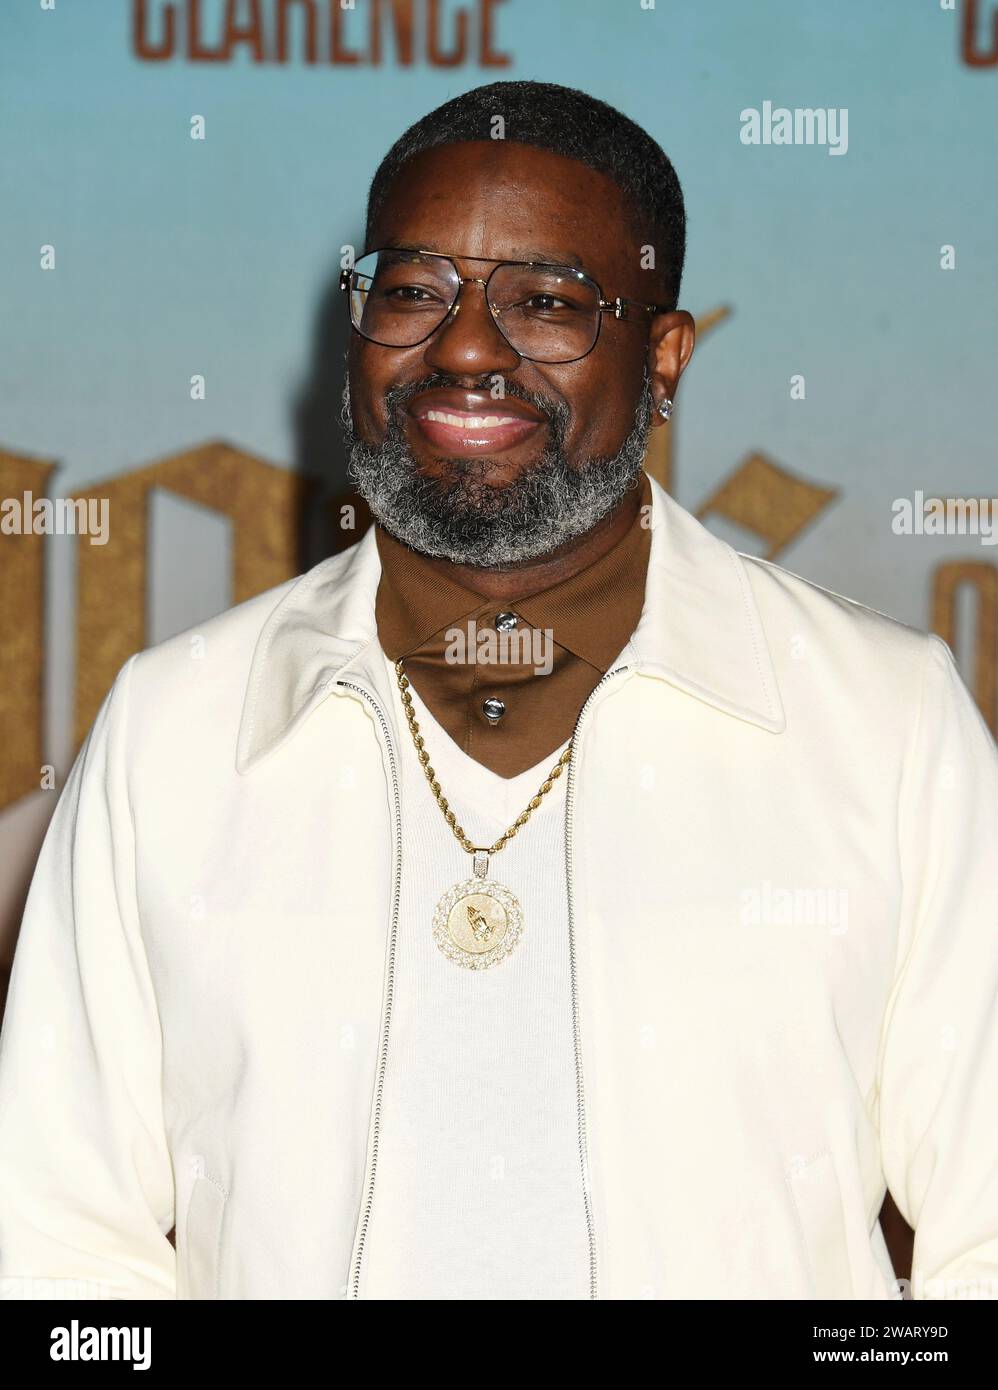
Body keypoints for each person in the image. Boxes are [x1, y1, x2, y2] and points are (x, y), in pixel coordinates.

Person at [1, 80, 996, 1302]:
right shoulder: (173, 729)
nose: (465, 349)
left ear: (664, 353)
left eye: (546, 302)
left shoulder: (886, 724)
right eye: (413, 291)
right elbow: (54, 1240)